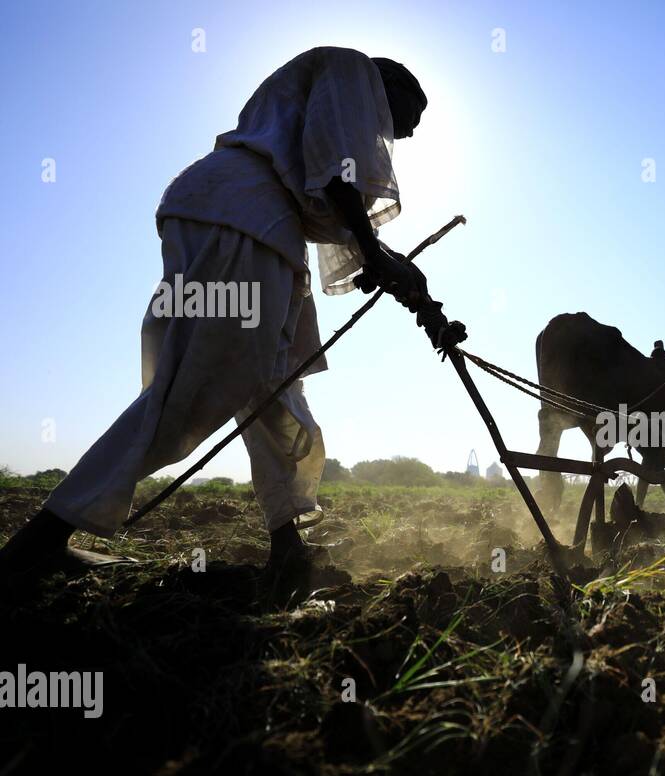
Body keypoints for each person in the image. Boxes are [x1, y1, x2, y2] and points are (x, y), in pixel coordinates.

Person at [0, 48, 447, 602]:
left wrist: (417, 295)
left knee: (271, 393)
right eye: (412, 112)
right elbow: (339, 178)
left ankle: (287, 546)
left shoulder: (313, 94)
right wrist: (381, 260)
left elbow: (348, 218)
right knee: (194, 390)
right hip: (244, 220)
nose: (409, 130)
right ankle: (41, 539)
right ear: (388, 86)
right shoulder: (352, 70)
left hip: (248, 220)